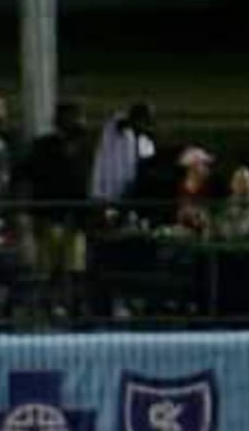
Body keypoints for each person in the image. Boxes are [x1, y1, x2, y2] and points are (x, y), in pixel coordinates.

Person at [26, 102, 92, 315]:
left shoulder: (84, 149)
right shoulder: (43, 147)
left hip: (75, 219)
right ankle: (46, 307)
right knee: (48, 268)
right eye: (75, 117)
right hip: (51, 215)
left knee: (75, 267)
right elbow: (33, 180)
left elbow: (83, 183)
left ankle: (73, 307)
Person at [88, 102, 157, 204]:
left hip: (123, 192)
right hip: (105, 191)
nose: (145, 125)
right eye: (144, 120)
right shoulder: (114, 125)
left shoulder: (135, 137)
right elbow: (123, 123)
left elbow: (145, 158)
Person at [218, 166, 249, 239]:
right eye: (237, 181)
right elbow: (222, 222)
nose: (240, 184)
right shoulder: (230, 201)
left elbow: (248, 225)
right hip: (230, 239)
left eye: (243, 181)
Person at [176, 147, 215, 235]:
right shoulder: (182, 186)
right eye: (203, 165)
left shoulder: (211, 186)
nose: (206, 168)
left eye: (206, 165)